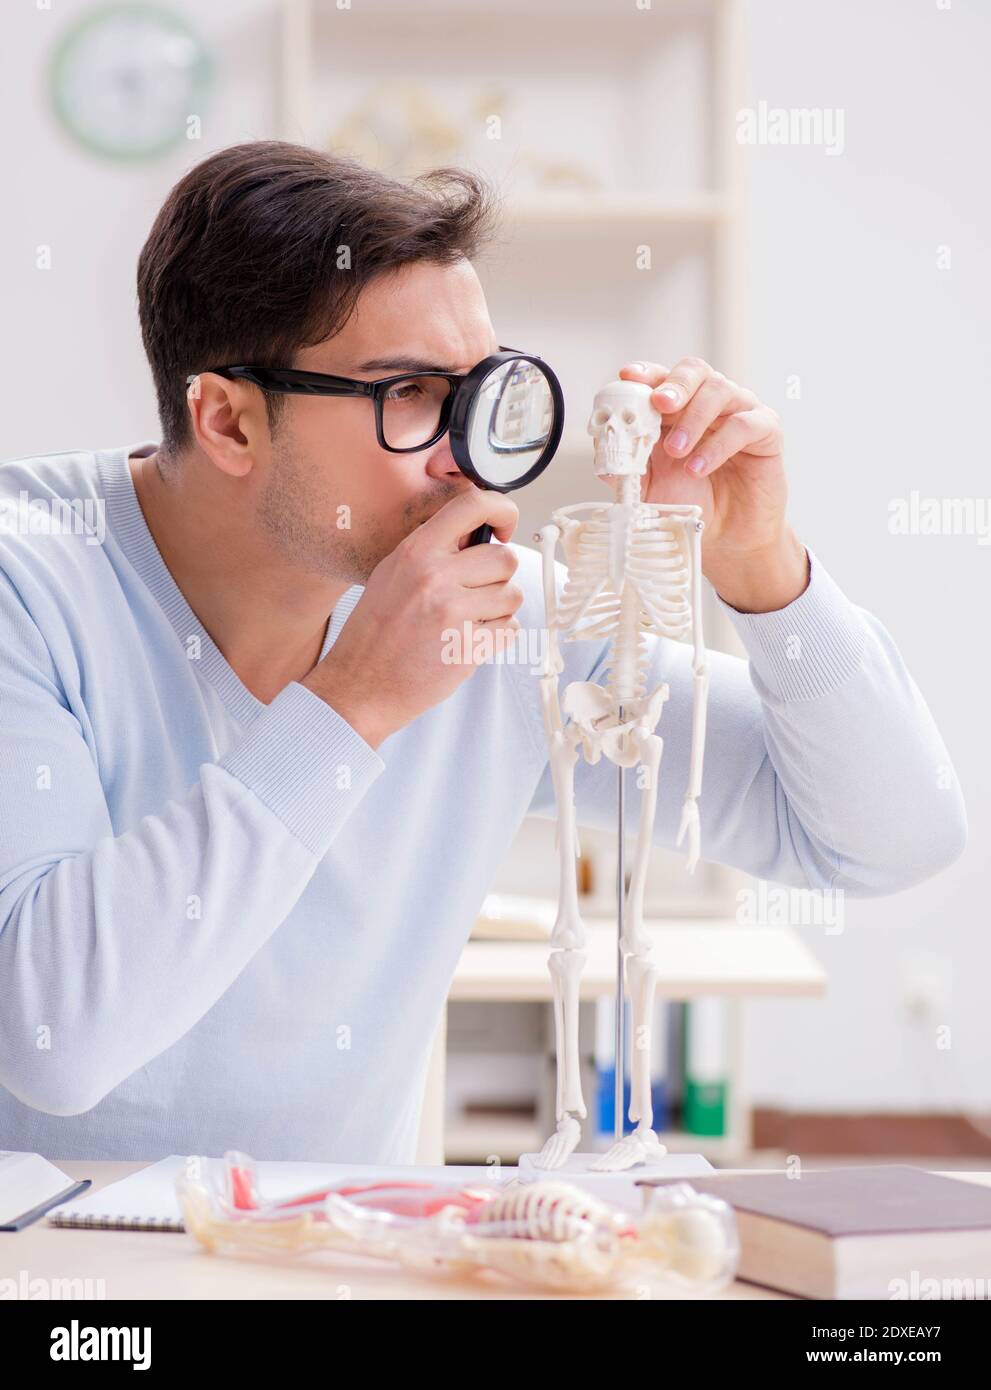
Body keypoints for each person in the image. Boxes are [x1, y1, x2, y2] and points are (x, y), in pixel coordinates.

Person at [0, 142, 966, 1161]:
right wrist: (354, 703)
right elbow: (55, 1042)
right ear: (230, 421)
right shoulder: (30, 579)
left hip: (335, 1256)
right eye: (411, 394)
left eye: (482, 388)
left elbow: (889, 837)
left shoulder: (505, 619)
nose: (471, 454)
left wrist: (765, 569)